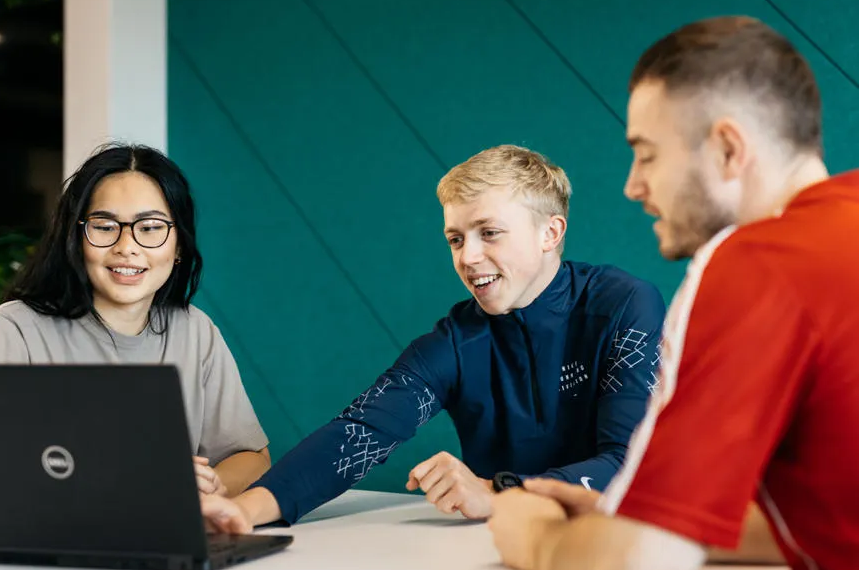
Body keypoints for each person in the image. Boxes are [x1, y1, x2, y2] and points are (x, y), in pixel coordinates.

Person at [487, 16, 859, 570]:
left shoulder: (754, 264)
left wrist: (536, 537)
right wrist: (623, 517)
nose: (634, 185)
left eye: (646, 153)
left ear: (728, 150)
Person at [199, 144, 665, 532]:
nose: (469, 256)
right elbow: (360, 432)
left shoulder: (624, 304)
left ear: (550, 232)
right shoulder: (457, 339)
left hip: (624, 544)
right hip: (505, 556)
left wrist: (496, 491)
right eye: (456, 239)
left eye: (489, 233)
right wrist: (242, 511)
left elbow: (628, 463)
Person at [0, 143, 270, 498]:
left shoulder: (196, 332)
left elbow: (251, 457)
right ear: (76, 239)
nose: (127, 246)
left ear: (179, 245)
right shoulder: (12, 331)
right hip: (44, 543)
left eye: (150, 227)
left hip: (160, 542)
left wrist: (206, 488)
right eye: (105, 226)